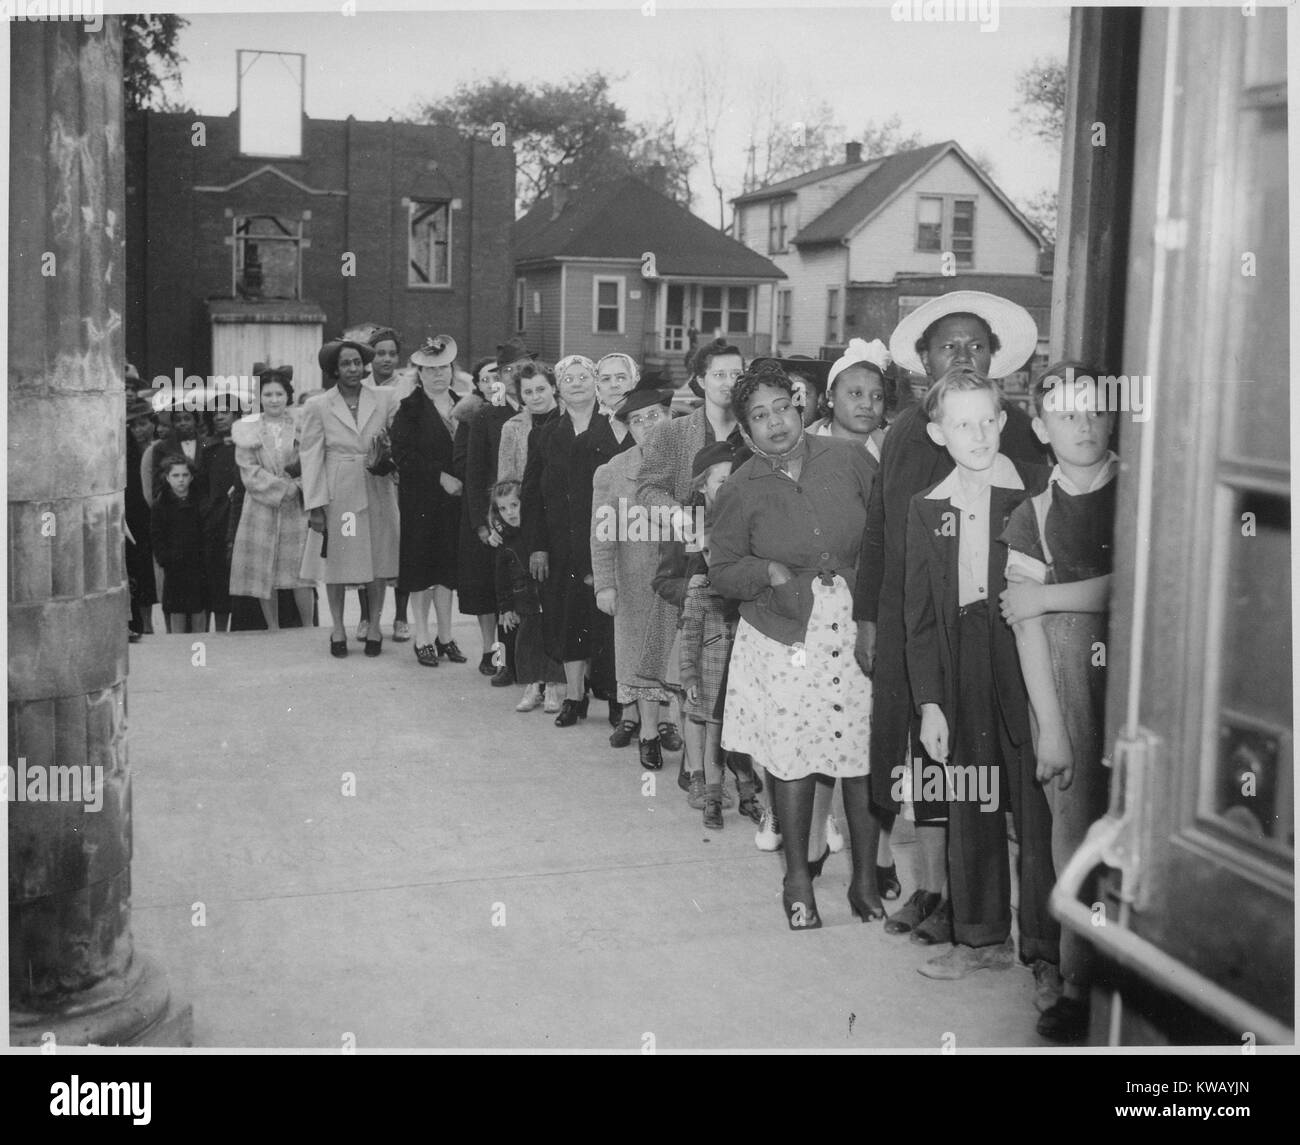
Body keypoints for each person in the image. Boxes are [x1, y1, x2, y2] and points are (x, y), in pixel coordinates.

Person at [854, 290, 1046, 944]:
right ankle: (931, 887)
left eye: (976, 345)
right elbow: (881, 530)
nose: (962, 354)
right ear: (924, 358)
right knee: (925, 760)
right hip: (916, 622)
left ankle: (979, 901)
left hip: (991, 626)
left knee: (985, 764)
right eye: (948, 344)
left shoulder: (1014, 432)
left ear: (996, 358)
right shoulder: (907, 432)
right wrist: (868, 618)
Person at [710, 361, 883, 930]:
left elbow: (882, 541)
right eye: (759, 417)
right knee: (795, 754)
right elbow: (722, 572)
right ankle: (797, 880)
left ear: (802, 404)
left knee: (857, 751)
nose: (776, 423)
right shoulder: (739, 489)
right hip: (784, 636)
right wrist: (769, 571)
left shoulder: (851, 460)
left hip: (853, 627)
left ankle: (863, 879)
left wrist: (874, 613)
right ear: (744, 430)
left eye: (783, 408)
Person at [903, 365, 1058, 981]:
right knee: (971, 794)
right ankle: (980, 937)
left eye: (987, 420)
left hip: (1026, 648)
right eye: (961, 423)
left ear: (1003, 419)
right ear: (939, 434)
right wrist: (931, 704)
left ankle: (1048, 953)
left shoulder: (1037, 490)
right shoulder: (927, 508)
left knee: (1039, 804)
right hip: (960, 655)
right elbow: (917, 618)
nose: (978, 434)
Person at [999, 361, 1116, 1040]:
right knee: (1074, 832)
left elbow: (1131, 587)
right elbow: (1025, 623)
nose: (1085, 423)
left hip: (1135, 688)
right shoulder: (1033, 514)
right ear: (1041, 427)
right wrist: (1051, 727)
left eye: (1096, 409)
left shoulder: (1142, 491)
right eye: (1067, 412)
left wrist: (1048, 594)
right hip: (1069, 691)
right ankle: (1077, 980)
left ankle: (1135, 981)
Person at [591, 375, 681, 770]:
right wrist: (605, 585)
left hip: (679, 580)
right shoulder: (613, 471)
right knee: (642, 655)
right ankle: (647, 733)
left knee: (676, 656)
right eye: (639, 420)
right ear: (628, 428)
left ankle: (664, 723)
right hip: (634, 581)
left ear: (670, 417)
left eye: (656, 416)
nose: (649, 425)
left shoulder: (691, 463)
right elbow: (602, 536)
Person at [299, 337, 401, 658]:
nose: (353, 369)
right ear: (334, 369)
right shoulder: (318, 405)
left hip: (376, 486)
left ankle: (374, 627)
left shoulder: (384, 398)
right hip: (340, 492)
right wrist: (315, 505)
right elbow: (311, 455)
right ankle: (338, 628)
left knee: (377, 557)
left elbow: (399, 438)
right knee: (339, 561)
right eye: (346, 363)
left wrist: (388, 452)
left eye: (358, 362)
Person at [522, 354, 606, 727]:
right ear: (559, 387)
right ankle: (574, 696)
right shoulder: (545, 434)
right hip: (559, 544)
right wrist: (537, 545)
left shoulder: (613, 428)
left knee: (603, 618)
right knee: (566, 617)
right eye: (567, 378)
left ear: (596, 382)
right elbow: (531, 495)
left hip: (603, 541)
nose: (575, 383)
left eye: (583, 376)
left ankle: (614, 695)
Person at [390, 335, 466, 667]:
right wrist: (439, 476)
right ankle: (422, 636)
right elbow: (402, 455)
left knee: (448, 570)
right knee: (421, 570)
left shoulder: (465, 405)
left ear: (452, 370)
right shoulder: (409, 410)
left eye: (443, 368)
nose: (437, 375)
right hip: (420, 499)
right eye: (429, 369)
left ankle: (445, 635)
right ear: (418, 373)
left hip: (455, 503)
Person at [229, 365, 317, 630]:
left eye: (279, 394)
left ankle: (309, 626)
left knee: (300, 571)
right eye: (268, 394)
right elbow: (248, 470)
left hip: (296, 507)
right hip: (261, 508)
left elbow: (313, 461)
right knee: (264, 569)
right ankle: (273, 627)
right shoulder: (247, 429)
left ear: (287, 395)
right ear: (261, 397)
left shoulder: (301, 425)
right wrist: (280, 489)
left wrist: (298, 486)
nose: (274, 399)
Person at [463, 349, 525, 681]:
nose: (512, 375)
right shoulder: (487, 416)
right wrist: (481, 523)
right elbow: (474, 474)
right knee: (501, 595)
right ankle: (502, 661)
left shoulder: (541, 408)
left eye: (518, 368)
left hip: (528, 513)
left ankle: (531, 663)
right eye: (506, 370)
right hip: (499, 515)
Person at [679, 521, 745, 830]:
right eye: (704, 550)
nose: (709, 556)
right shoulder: (700, 590)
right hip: (712, 678)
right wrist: (689, 677)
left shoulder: (747, 589)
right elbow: (690, 637)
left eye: (715, 549)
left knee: (743, 744)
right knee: (714, 740)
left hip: (742, 679)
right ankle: (713, 799)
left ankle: (748, 796)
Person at [492, 480, 566, 712]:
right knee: (527, 644)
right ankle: (533, 688)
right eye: (503, 509)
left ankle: (552, 687)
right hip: (523, 601)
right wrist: (505, 608)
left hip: (547, 598)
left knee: (551, 641)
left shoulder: (541, 533)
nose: (509, 513)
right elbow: (501, 577)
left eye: (514, 505)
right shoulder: (505, 540)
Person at [150, 454, 208, 633]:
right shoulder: (160, 506)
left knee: (199, 609)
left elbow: (206, 532)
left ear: (191, 477)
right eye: (175, 476)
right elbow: (157, 537)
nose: (181, 480)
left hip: (198, 566)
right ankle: (178, 649)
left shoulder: (201, 502)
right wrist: (166, 558)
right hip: (174, 567)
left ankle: (200, 652)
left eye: (185, 475)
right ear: (167, 478)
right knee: (177, 611)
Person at [810, 339, 890, 466]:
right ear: (831, 396)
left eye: (877, 396)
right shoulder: (801, 448)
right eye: (856, 394)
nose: (868, 404)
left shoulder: (892, 454)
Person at [200, 408, 241, 632]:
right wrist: (208, 509)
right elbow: (201, 482)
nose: (219, 417)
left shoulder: (246, 443)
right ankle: (220, 629)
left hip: (241, 515)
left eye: (225, 412)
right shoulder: (207, 446)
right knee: (217, 575)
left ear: (236, 415)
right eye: (215, 413)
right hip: (215, 520)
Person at [124, 394, 158, 640]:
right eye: (134, 425)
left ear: (153, 423)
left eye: (143, 423)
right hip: (136, 516)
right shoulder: (126, 452)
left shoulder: (162, 447)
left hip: (161, 514)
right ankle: (145, 623)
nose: (138, 429)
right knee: (140, 568)